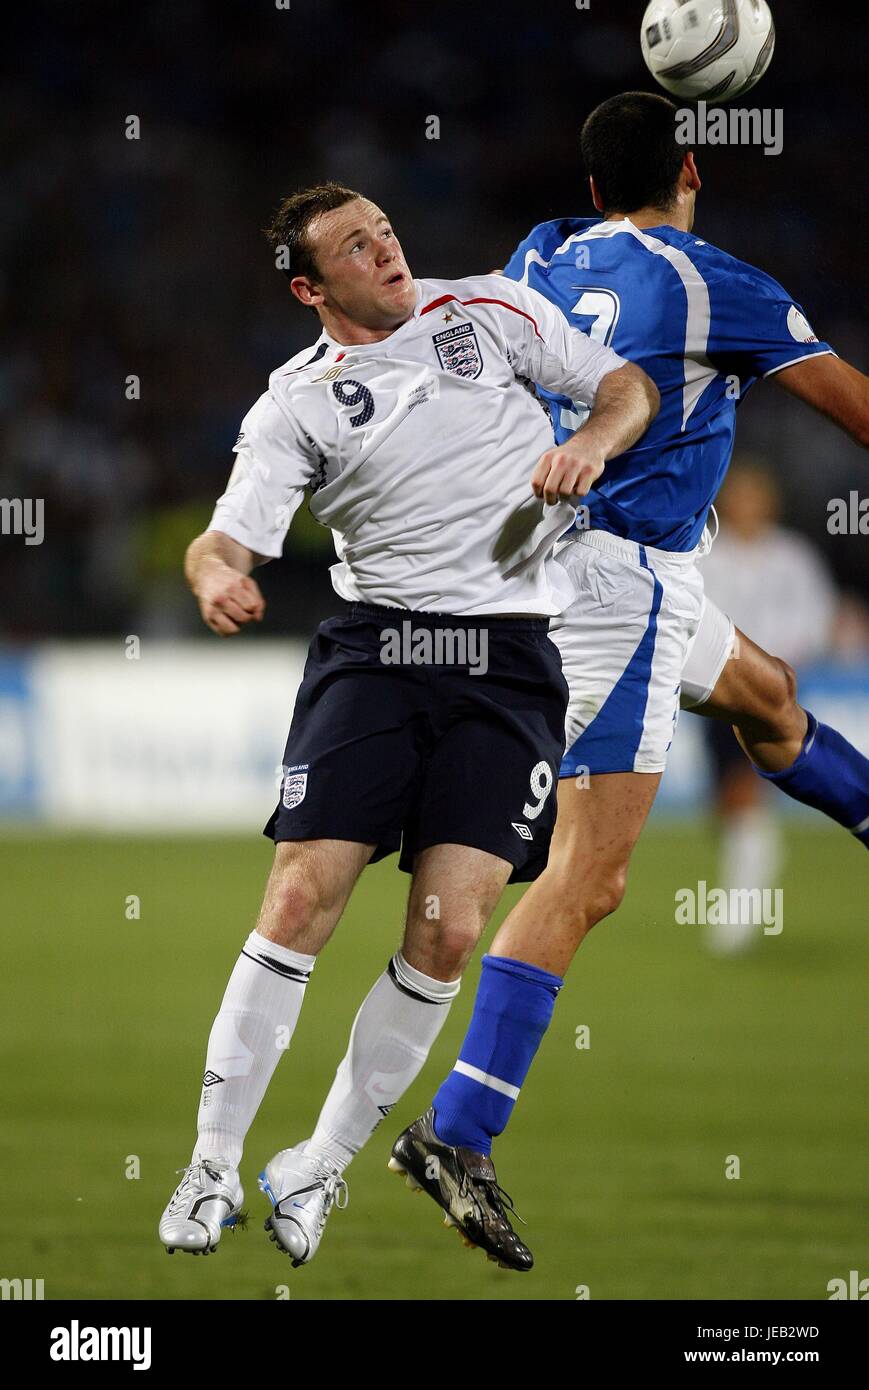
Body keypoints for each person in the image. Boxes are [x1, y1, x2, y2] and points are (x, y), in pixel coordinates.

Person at [390, 92, 869, 1271]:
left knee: (763, 697)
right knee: (587, 877)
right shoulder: (723, 285)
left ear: (594, 187)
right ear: (694, 166)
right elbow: (854, 410)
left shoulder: (541, 250)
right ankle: (456, 1134)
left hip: (543, 559)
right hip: (622, 583)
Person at [157, 182, 658, 1263]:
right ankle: (210, 1162)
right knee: (298, 895)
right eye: (353, 245)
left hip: (510, 659)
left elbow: (623, 388)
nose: (386, 248)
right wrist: (212, 580)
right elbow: (224, 540)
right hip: (379, 652)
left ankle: (320, 1165)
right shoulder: (294, 401)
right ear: (309, 287)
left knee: (447, 931)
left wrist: (597, 445)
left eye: (385, 226)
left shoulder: (490, 312)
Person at [698, 462, 838, 954]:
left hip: (772, 690)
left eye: (755, 496)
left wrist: (780, 660)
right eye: (738, 496)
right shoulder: (705, 554)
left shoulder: (791, 557)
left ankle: (738, 916)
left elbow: (819, 618)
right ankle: (752, 861)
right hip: (715, 689)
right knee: (726, 802)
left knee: (744, 790)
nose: (746, 506)